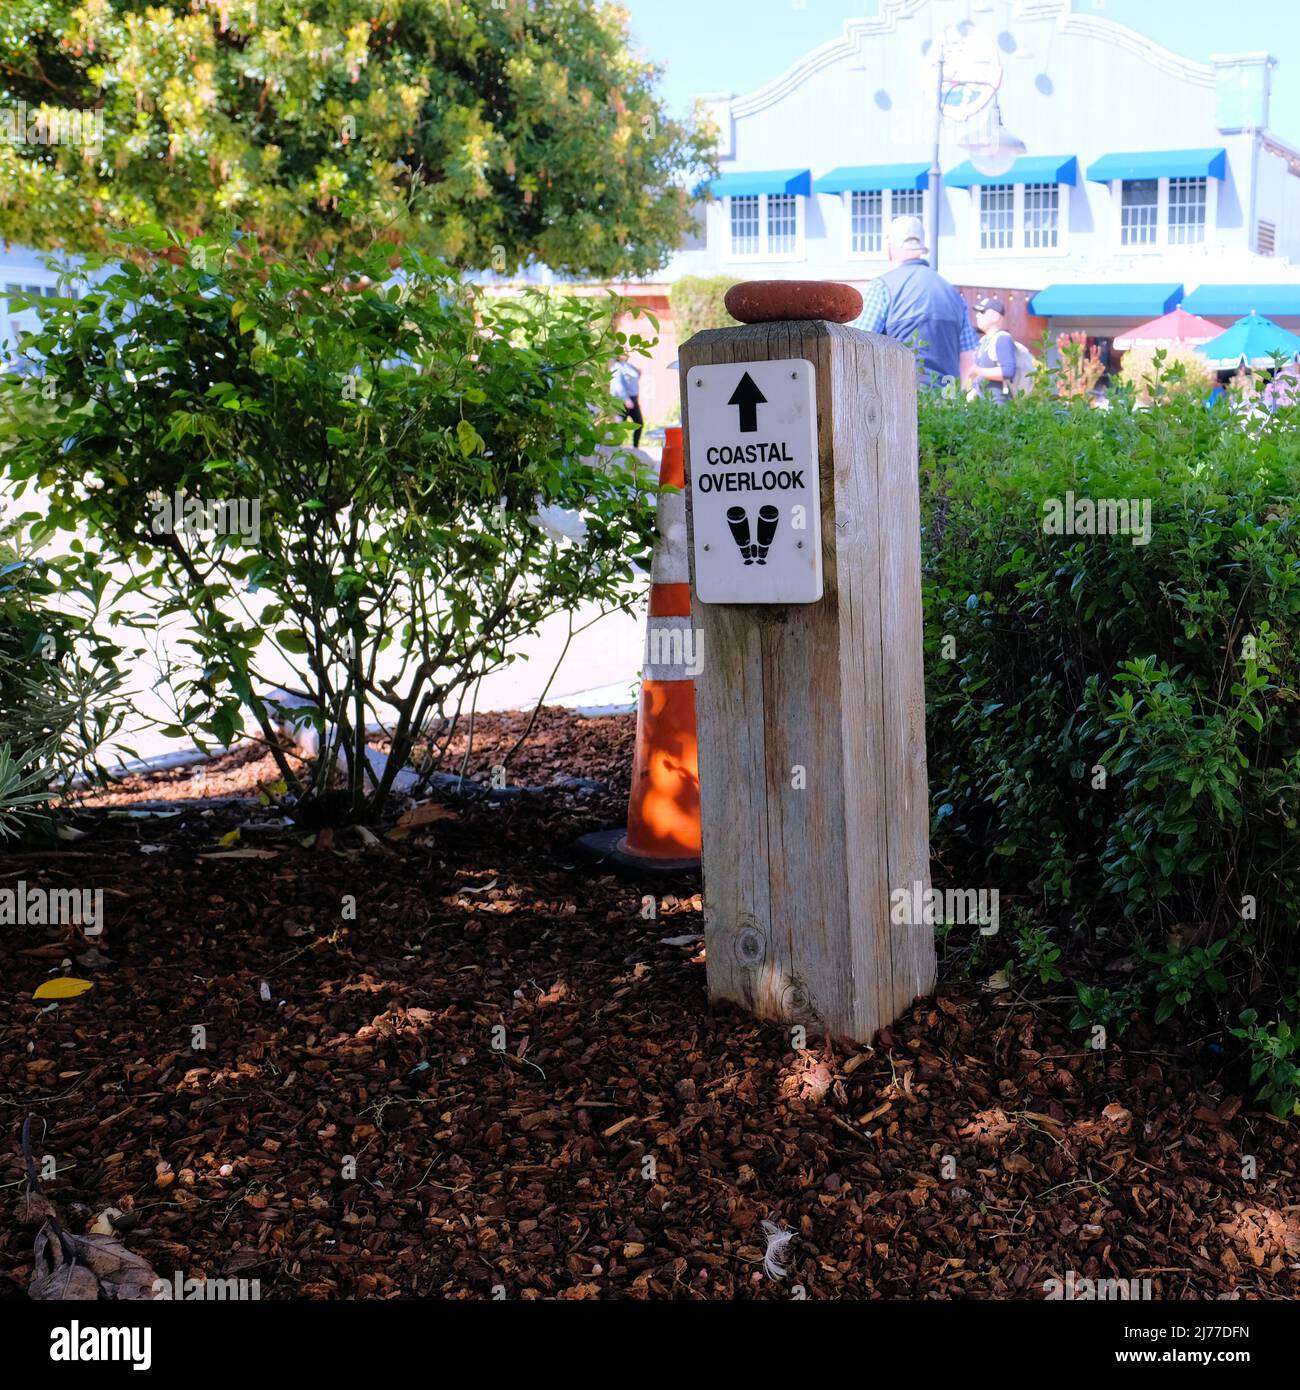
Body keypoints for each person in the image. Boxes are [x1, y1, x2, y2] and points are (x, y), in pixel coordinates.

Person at [849, 215, 977, 391]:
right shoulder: (954, 294)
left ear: (890, 248)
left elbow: (856, 345)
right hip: (948, 403)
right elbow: (968, 358)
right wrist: (953, 396)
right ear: (922, 248)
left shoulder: (882, 287)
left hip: (901, 397)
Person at [968, 295, 1018, 405]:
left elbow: (1008, 371)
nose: (977, 316)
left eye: (982, 312)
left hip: (998, 406)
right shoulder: (983, 341)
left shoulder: (1002, 338)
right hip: (984, 407)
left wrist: (977, 370)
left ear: (995, 317)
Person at [610, 354, 643, 446]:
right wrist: (626, 399)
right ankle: (616, 447)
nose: (626, 352)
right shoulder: (617, 367)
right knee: (620, 425)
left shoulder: (628, 365)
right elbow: (618, 384)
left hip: (633, 398)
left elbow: (636, 374)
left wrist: (639, 372)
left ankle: (635, 447)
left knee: (639, 423)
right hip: (622, 400)